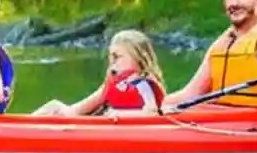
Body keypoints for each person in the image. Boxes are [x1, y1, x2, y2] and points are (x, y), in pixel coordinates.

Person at [32, 29, 166, 117]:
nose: (112, 62)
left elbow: (151, 112)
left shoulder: (144, 84)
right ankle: (19, 128)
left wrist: (119, 114)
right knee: (54, 105)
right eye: (110, 57)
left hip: (128, 127)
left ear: (138, 58)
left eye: (117, 57)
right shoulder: (114, 84)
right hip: (99, 122)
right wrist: (64, 112)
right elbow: (79, 109)